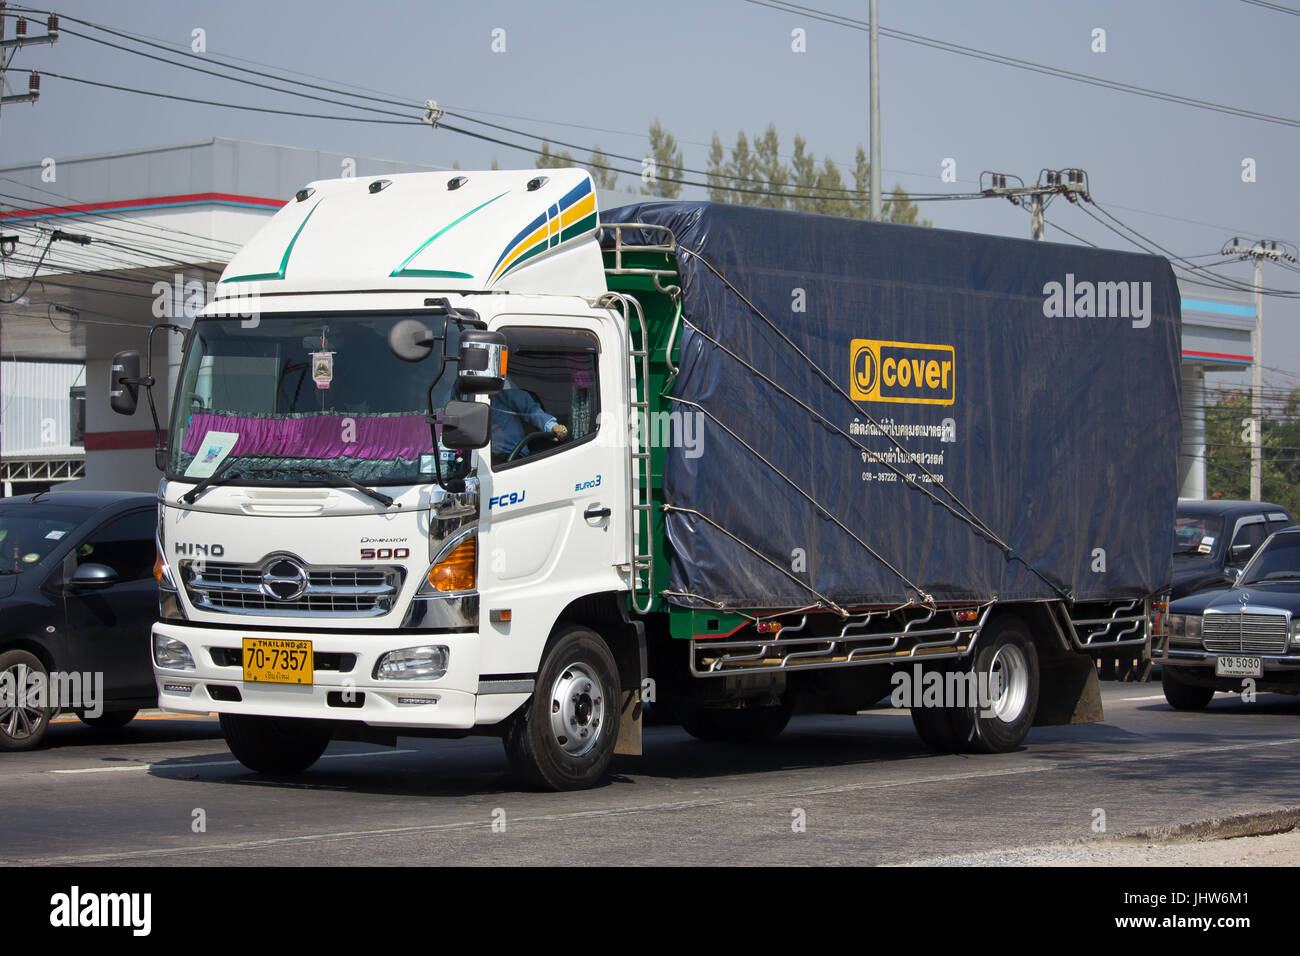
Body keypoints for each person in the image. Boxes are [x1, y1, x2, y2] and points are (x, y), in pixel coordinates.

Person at [490, 379, 568, 461]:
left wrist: (552, 426)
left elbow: (531, 410)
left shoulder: (499, 393)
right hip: (486, 458)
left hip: (513, 456)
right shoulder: (478, 397)